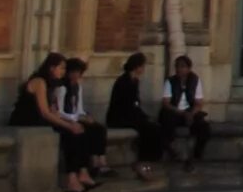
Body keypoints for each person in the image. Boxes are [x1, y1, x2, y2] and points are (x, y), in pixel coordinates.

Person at [9, 53, 95, 192]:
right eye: (60, 68)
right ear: (51, 68)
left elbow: (55, 112)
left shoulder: (53, 85)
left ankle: (82, 172)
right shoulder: (39, 82)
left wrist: (72, 123)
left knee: (80, 131)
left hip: (42, 118)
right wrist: (68, 126)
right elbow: (45, 112)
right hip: (28, 119)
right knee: (69, 134)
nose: (62, 72)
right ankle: (71, 179)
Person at [104, 51, 163, 180]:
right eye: (142, 66)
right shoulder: (123, 82)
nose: (143, 69)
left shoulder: (134, 81)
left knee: (154, 128)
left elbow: (135, 105)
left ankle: (146, 161)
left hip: (129, 115)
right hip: (119, 117)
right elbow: (126, 106)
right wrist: (142, 117)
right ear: (137, 67)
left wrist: (144, 116)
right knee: (149, 129)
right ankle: (141, 162)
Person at [56, 56, 111, 181]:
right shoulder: (62, 88)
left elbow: (79, 107)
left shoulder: (78, 87)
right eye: (73, 72)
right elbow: (60, 112)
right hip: (66, 119)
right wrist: (77, 118)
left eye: (79, 72)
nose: (76, 75)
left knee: (98, 129)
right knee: (83, 133)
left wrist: (85, 116)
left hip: (75, 117)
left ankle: (100, 161)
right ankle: (87, 166)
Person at [161, 54, 213, 170]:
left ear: (189, 68)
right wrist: (181, 113)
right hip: (175, 112)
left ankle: (195, 155)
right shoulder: (170, 81)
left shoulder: (195, 80)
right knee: (166, 121)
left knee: (204, 127)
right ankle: (172, 151)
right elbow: (166, 103)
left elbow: (199, 102)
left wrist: (191, 113)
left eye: (183, 67)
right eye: (177, 67)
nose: (180, 69)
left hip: (190, 111)